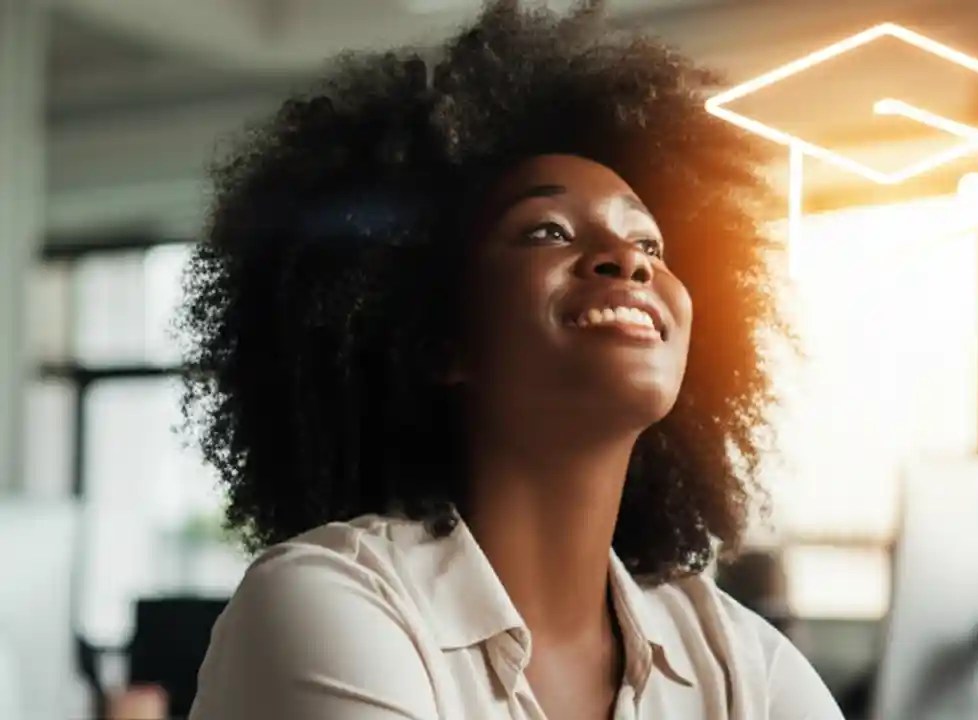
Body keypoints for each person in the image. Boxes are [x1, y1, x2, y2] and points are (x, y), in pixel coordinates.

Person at [182, 2, 841, 718]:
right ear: (438, 337)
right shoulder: (324, 604)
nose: (628, 261)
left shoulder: (742, 663)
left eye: (650, 245)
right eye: (546, 230)